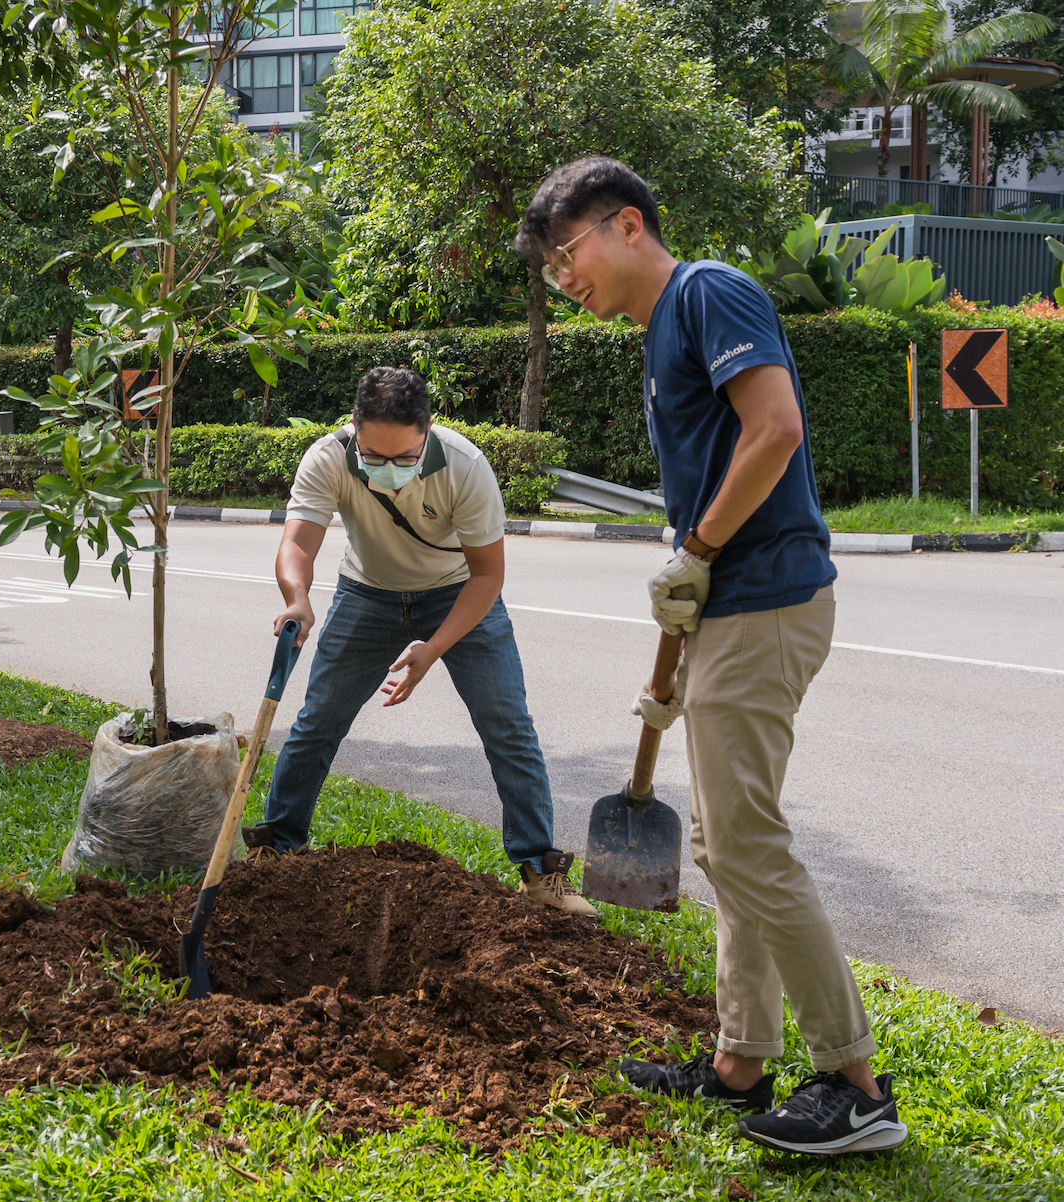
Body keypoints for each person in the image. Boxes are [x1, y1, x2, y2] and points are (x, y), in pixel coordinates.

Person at [515, 156, 906, 1156]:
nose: (567, 282)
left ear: (628, 225)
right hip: (727, 605)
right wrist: (689, 567)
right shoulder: (661, 333)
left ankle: (854, 1084)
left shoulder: (707, 292)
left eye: (569, 256)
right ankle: (740, 1058)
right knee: (722, 846)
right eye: (554, 272)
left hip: (764, 598)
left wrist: (697, 549)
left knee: (748, 845)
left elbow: (774, 429)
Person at [248, 366, 594, 916]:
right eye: (373, 456)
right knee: (318, 721)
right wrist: (297, 597)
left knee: (508, 724)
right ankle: (279, 848)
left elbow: (487, 577)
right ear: (355, 429)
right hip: (366, 593)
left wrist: (434, 648)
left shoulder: (465, 466)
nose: (388, 470)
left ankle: (539, 874)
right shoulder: (329, 458)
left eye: (404, 458)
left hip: (456, 595)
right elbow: (298, 544)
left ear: (427, 432)